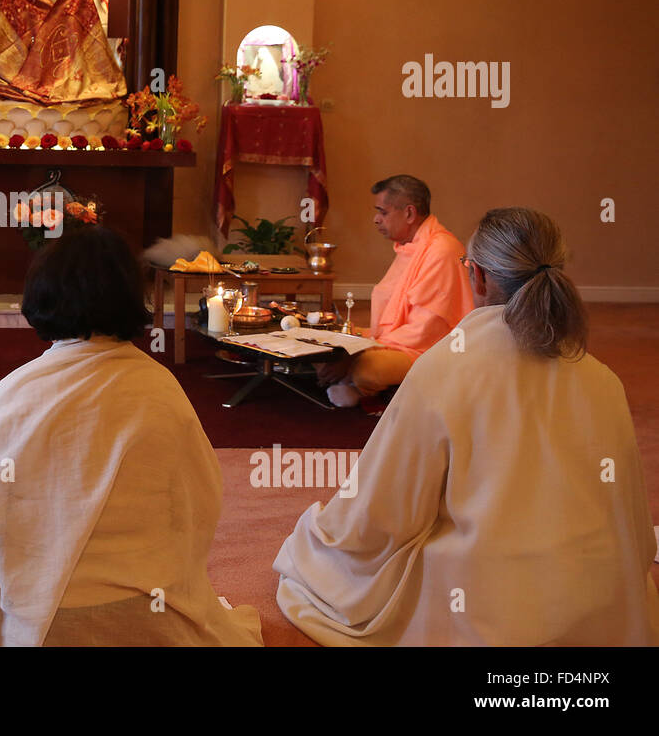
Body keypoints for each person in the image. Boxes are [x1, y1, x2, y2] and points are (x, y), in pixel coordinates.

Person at [274, 207, 659, 645]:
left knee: (316, 553)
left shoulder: (447, 367)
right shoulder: (603, 379)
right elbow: (632, 523)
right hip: (599, 601)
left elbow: (383, 512)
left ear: (478, 277)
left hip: (491, 608)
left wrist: (323, 539)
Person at [0, 226, 263, 646]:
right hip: (144, 613)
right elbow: (199, 500)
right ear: (130, 293)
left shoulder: (22, 386)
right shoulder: (163, 390)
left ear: (42, 294)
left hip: (34, 618)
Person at [320, 174, 472, 407]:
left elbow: (425, 333)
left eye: (383, 212)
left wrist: (357, 354)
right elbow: (390, 319)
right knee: (324, 340)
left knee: (368, 369)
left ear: (409, 213)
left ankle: (359, 387)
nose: (376, 219)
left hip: (430, 351)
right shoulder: (412, 247)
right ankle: (352, 375)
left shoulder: (441, 250)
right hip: (395, 341)